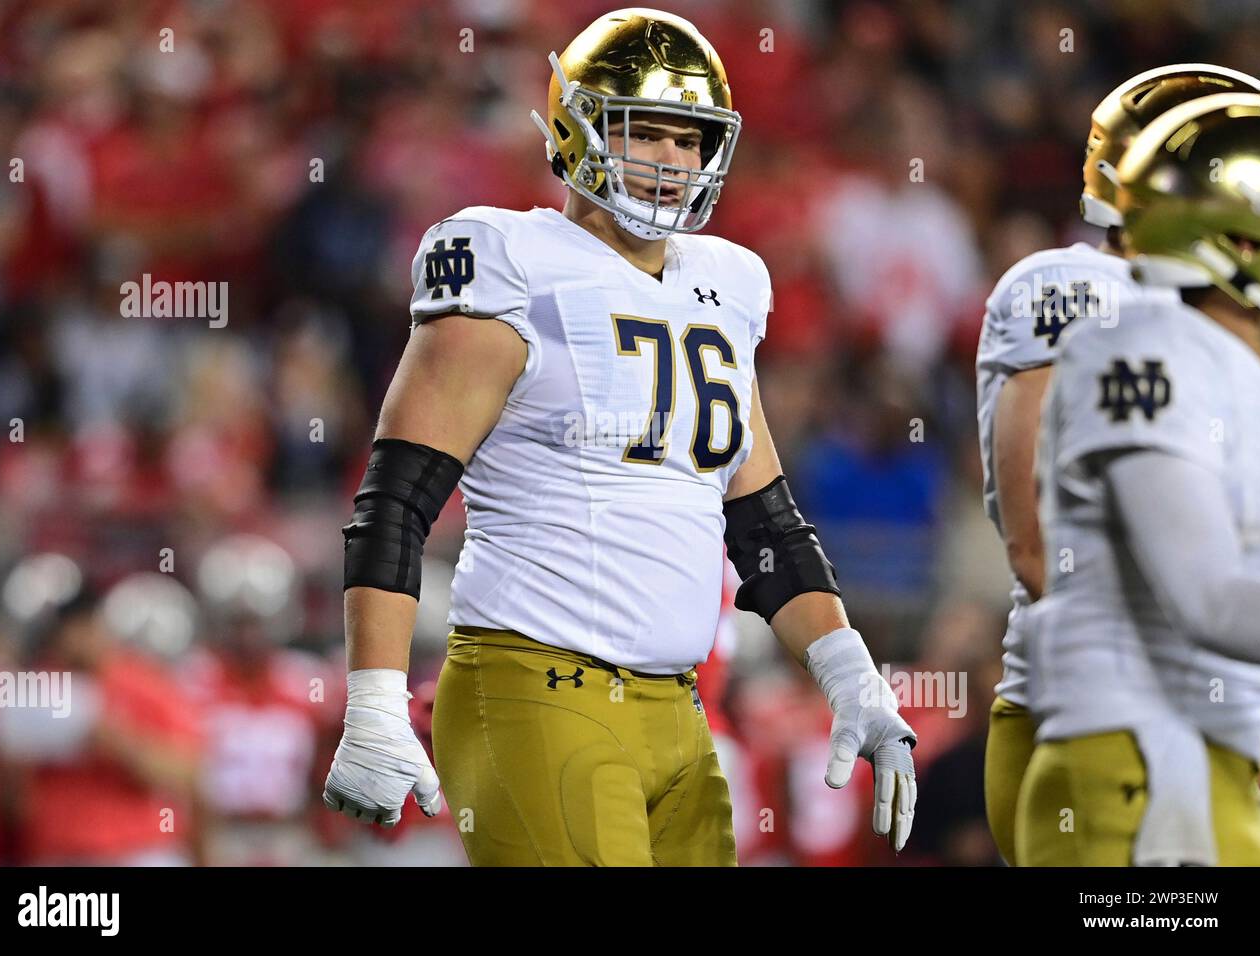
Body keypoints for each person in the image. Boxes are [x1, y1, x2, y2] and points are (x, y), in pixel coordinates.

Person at [321, 7, 917, 866]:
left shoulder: (727, 281)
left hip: (678, 710)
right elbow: (396, 503)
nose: (672, 163)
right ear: (578, 125)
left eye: (690, 139)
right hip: (536, 686)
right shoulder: (511, 258)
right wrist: (373, 700)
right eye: (648, 134)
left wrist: (850, 676)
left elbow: (765, 523)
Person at [974, 64, 1260, 866]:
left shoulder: (1224, 351)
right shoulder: (1095, 306)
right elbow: (1038, 549)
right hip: (1120, 731)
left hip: (1208, 733)